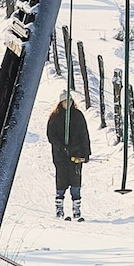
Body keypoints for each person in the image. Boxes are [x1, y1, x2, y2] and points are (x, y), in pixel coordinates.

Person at [46, 91, 90, 220]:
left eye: (70, 100)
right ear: (61, 103)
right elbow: (51, 135)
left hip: (76, 153)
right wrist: (61, 146)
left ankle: (76, 209)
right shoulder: (55, 117)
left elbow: (84, 134)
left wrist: (86, 152)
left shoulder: (78, 115)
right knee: (62, 179)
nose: (68, 103)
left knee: (76, 179)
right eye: (65, 101)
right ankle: (59, 208)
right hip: (61, 155)